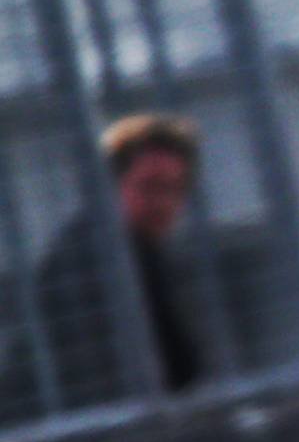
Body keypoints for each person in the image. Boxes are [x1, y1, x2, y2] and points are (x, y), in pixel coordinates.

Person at [32, 111, 210, 410]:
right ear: (112, 185)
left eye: (175, 189)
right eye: (150, 186)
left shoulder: (126, 249)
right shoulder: (101, 256)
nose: (164, 203)